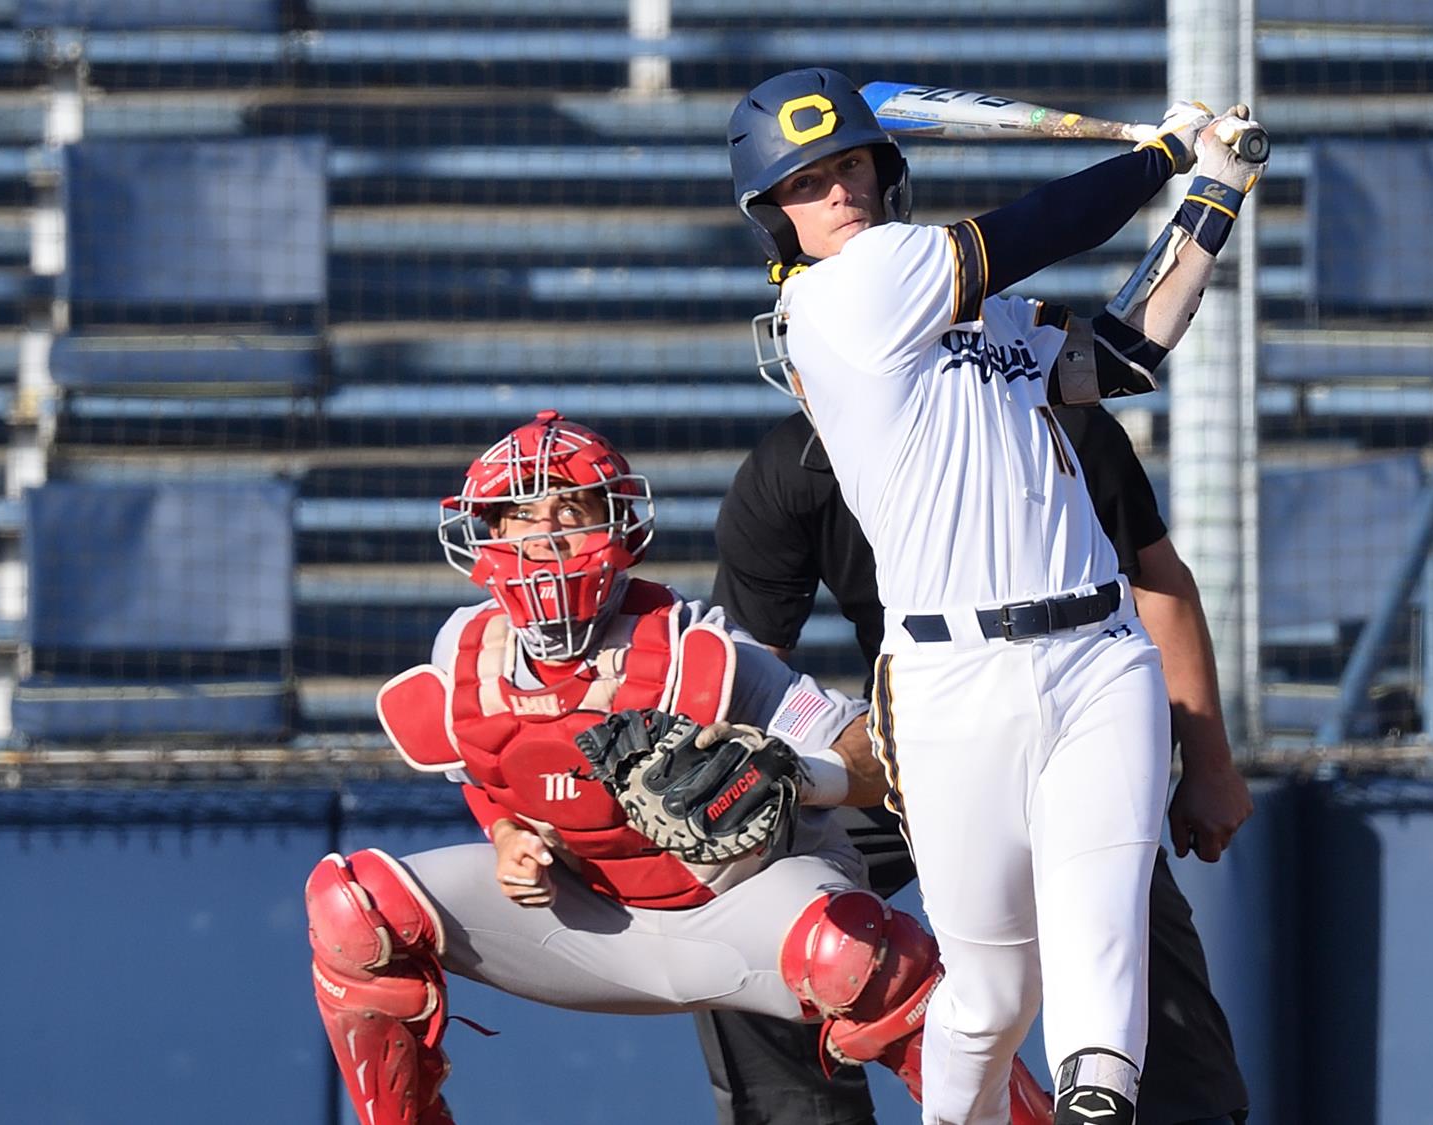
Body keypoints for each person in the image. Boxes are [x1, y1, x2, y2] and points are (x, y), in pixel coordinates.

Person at [724, 67, 1267, 1125]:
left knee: (1100, 948)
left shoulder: (953, 299)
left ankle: (1097, 1095)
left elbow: (1120, 356)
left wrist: (1216, 194)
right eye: (807, 182)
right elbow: (1030, 227)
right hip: (948, 680)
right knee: (990, 998)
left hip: (1098, 655)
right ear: (771, 216)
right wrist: (1160, 158)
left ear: (885, 173)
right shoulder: (843, 293)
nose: (838, 192)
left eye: (851, 167)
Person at [303, 410, 1054, 1125]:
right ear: (489, 532)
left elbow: (874, 754)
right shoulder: (466, 651)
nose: (550, 534)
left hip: (729, 909)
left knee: (858, 952)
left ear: (618, 524)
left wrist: (787, 771)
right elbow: (486, 769)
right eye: (524, 514)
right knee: (352, 908)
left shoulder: (696, 651)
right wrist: (505, 836)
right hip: (579, 918)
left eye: (573, 508)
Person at [698, 400, 1255, 1125]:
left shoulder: (1057, 423)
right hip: (912, 745)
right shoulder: (794, 465)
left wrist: (1209, 760)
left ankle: (1182, 1111)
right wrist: (745, 795)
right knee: (750, 894)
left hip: (1064, 730)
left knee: (1122, 921)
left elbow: (1156, 581)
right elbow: (746, 671)